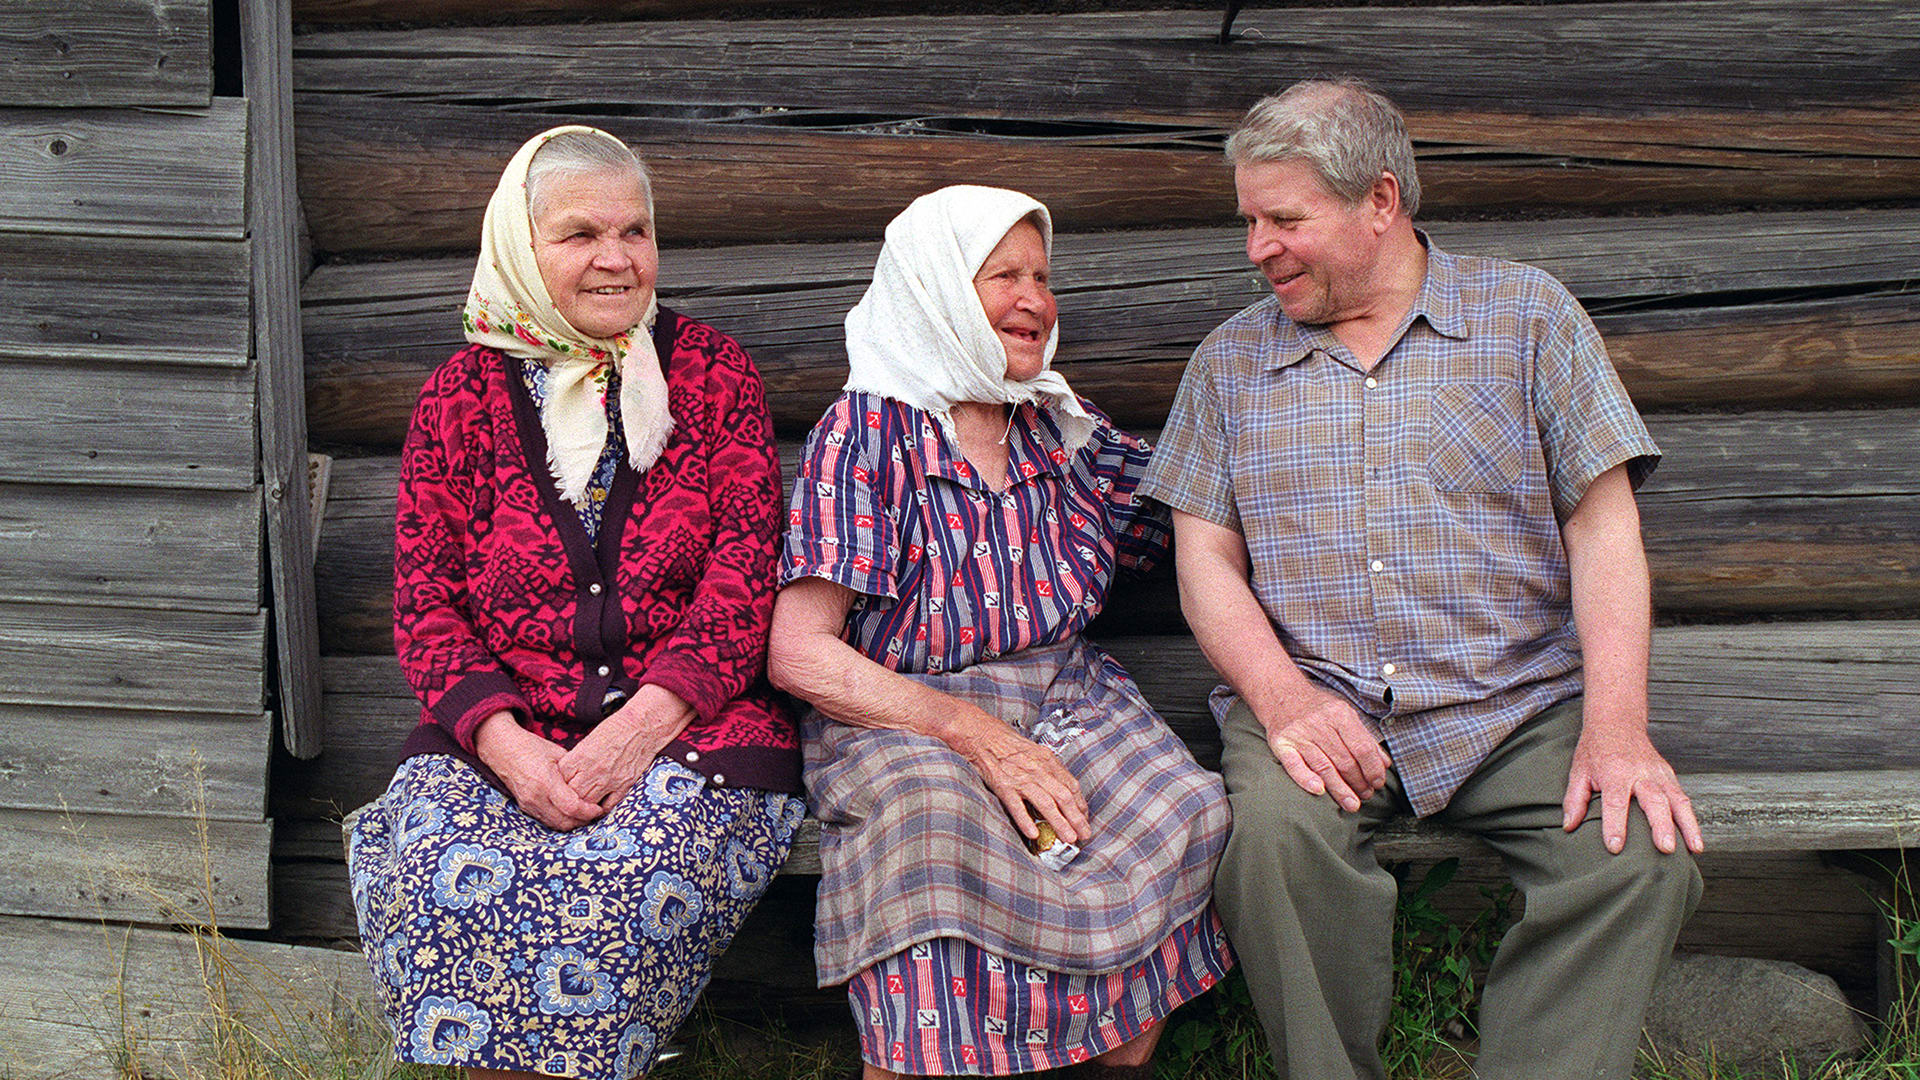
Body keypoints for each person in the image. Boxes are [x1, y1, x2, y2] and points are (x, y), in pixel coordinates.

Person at [1139, 79, 1704, 1080]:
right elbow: (1206, 560)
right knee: (1271, 852)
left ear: (1382, 203)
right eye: (1249, 221)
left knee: (1639, 861)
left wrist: (1618, 728)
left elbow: (1604, 525)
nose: (1256, 247)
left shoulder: (1527, 316)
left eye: (1284, 220)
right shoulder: (1228, 364)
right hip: (1320, 701)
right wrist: (1283, 700)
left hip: (1512, 705)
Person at [345, 126, 803, 1080]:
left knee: (616, 888)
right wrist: (511, 753)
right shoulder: (455, 399)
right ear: (520, 243)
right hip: (501, 735)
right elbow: (425, 609)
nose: (615, 257)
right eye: (580, 233)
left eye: (635, 231)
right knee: (433, 880)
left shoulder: (715, 376)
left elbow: (742, 581)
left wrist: (632, 736)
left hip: (692, 730)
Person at [769, 185, 1234, 1079]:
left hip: (1063, 695)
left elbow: (1184, 509)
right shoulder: (869, 432)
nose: (1034, 301)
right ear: (937, 289)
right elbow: (798, 651)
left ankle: (1104, 1062)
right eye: (1003, 277)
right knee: (932, 835)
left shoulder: (1058, 426)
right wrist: (972, 735)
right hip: (903, 712)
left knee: (1185, 810)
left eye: (1043, 278)